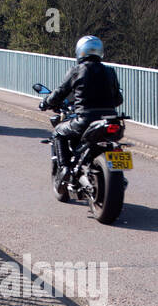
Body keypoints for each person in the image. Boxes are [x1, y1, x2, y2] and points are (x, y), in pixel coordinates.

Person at [40, 35, 123, 190]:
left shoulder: (76, 71)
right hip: (112, 120)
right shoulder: (110, 72)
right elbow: (118, 99)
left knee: (58, 132)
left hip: (85, 120)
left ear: (81, 52)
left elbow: (60, 92)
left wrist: (45, 102)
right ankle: (115, 178)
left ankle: (64, 169)